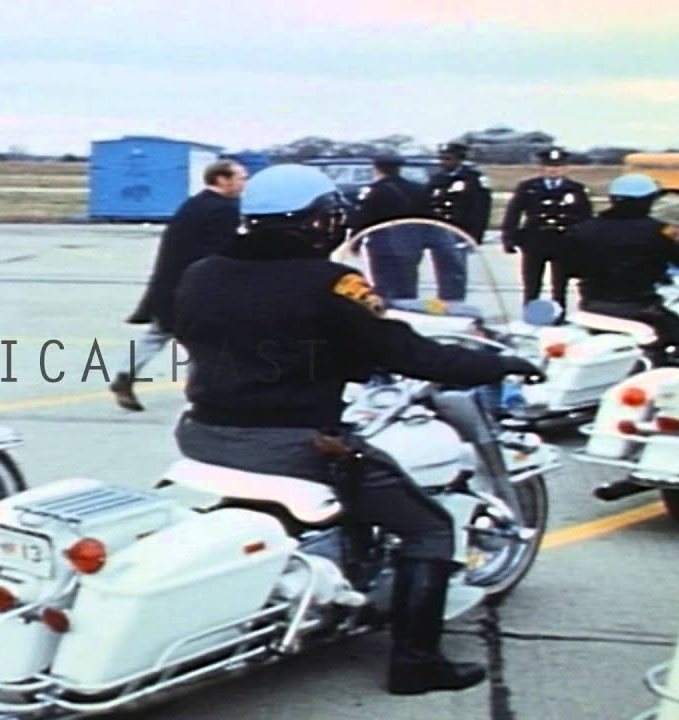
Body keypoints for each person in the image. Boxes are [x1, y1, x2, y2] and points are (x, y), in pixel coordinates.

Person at [170, 164, 544, 695]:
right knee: (429, 528)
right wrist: (492, 364)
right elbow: (404, 351)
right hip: (291, 445)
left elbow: (218, 337)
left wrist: (329, 361)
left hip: (202, 434)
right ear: (314, 223)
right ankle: (417, 663)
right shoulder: (331, 281)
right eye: (328, 217)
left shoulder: (202, 272)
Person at [110, 159, 247, 411]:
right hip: (195, 288)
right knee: (206, 342)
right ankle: (202, 392)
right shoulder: (224, 210)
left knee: (160, 335)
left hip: (171, 285)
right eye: (240, 178)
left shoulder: (194, 204)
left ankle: (125, 375)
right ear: (221, 179)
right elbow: (224, 251)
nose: (244, 183)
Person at [563, 174, 679, 366]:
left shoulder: (583, 229)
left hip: (592, 305)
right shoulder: (658, 231)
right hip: (640, 308)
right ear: (646, 201)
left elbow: (570, 268)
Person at [499, 147, 593, 318]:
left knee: (560, 285)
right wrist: (508, 238)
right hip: (535, 240)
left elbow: (585, 217)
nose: (553, 170)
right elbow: (513, 214)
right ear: (542, 167)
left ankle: (558, 316)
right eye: (549, 166)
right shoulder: (528, 187)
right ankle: (531, 315)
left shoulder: (576, 189)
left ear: (565, 168)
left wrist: (585, 243)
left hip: (563, 242)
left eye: (558, 166)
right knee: (532, 283)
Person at [349, 155, 434, 301]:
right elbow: (429, 217)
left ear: (377, 169)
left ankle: (387, 314)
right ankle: (407, 312)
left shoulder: (375, 190)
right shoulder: (418, 189)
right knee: (407, 284)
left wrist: (355, 242)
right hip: (412, 243)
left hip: (383, 243)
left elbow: (363, 218)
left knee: (383, 285)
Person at [426, 142, 492, 301]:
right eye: (441, 158)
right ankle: (444, 300)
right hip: (439, 231)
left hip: (461, 230)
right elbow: (428, 204)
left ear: (459, 159)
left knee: (456, 271)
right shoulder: (437, 178)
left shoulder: (474, 179)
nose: (444, 162)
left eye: (448, 158)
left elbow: (481, 209)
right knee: (441, 269)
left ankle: (455, 302)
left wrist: (475, 236)